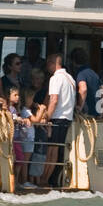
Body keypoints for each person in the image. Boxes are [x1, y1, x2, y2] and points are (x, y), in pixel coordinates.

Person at [40, 53, 76, 188]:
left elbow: (54, 100)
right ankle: (48, 179)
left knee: (51, 150)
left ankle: (44, 179)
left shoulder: (55, 78)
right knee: (56, 149)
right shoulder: (71, 79)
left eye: (48, 64)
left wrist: (47, 116)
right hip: (67, 118)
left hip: (57, 118)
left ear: (52, 63)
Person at [71, 47, 101, 117]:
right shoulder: (94, 73)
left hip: (85, 113)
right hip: (96, 112)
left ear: (73, 61)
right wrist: (101, 110)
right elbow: (102, 90)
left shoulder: (80, 73)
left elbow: (83, 89)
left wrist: (80, 107)